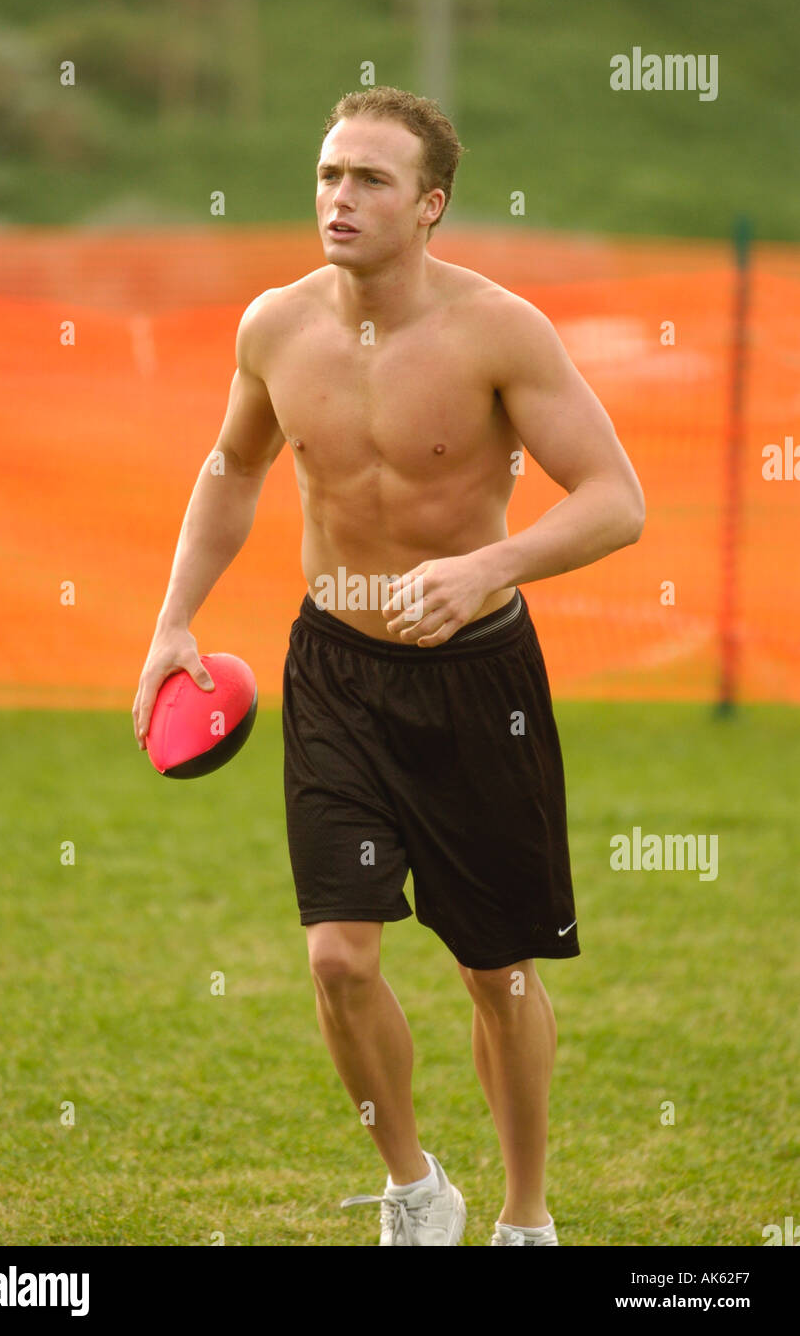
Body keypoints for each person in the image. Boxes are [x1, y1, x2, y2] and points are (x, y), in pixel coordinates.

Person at [132, 85, 645, 1247]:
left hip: (477, 682)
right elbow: (231, 471)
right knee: (338, 960)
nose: (338, 197)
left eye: (369, 179)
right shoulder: (273, 326)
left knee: (496, 970)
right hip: (336, 674)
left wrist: (489, 566)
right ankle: (417, 1190)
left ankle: (524, 1217)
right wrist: (174, 622)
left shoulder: (499, 331)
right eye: (327, 174)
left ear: (431, 206)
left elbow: (619, 503)